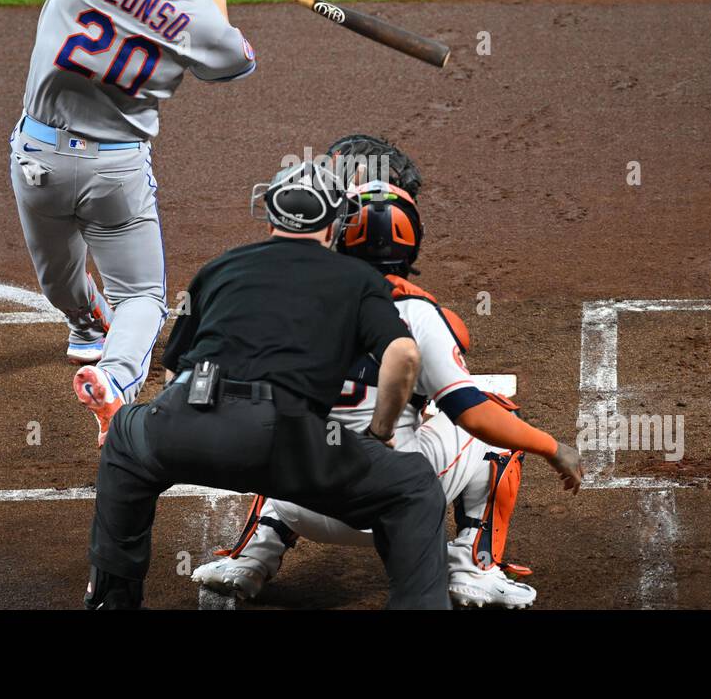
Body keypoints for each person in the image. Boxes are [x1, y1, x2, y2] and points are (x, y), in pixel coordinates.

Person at [193, 138, 583, 608]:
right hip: (395, 501)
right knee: (494, 416)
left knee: (282, 421)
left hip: (297, 500)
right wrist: (553, 447)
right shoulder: (423, 315)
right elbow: (471, 414)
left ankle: (251, 556)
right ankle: (476, 566)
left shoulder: (286, 298)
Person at [84, 161, 452, 609]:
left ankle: (111, 601)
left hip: (184, 416)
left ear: (271, 211)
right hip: (281, 438)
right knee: (413, 485)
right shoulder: (356, 278)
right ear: (336, 223)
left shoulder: (220, 266)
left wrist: (174, 431)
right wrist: (378, 434)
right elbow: (404, 355)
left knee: (124, 439)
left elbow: (172, 368)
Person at [9, 0, 257, 444]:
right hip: (113, 174)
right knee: (141, 296)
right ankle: (114, 376)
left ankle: (83, 323)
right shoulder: (200, 17)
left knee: (61, 277)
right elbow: (237, 59)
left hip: (37, 161)